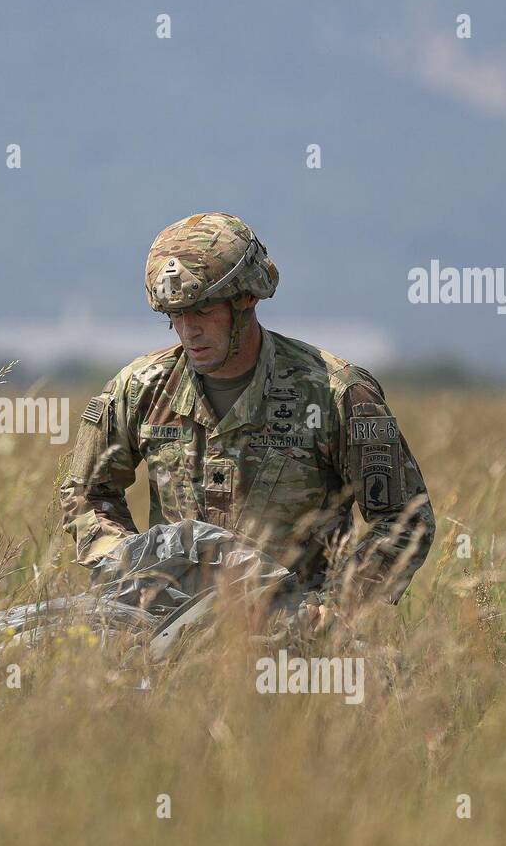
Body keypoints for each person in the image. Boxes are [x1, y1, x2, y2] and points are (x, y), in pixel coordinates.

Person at [59, 212, 435, 612]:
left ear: (247, 298)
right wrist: (130, 572)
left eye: (203, 310)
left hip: (299, 641)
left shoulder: (333, 392)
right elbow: (86, 493)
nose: (189, 330)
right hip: (168, 633)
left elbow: (403, 519)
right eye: (175, 315)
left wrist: (332, 610)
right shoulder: (140, 389)